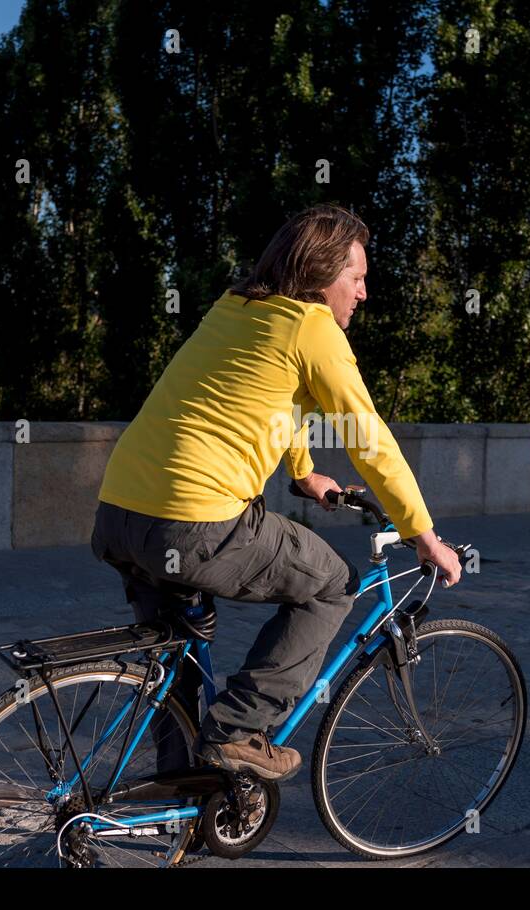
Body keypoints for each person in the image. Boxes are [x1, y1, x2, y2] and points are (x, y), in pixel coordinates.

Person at [90, 203, 460, 782]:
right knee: (333, 584)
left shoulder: (235, 306)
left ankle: (178, 799)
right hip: (195, 523)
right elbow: (371, 442)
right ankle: (239, 730)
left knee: (175, 659)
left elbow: (270, 399)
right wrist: (424, 535)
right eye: (357, 277)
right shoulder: (314, 328)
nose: (363, 293)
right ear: (322, 272)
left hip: (119, 514)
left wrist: (305, 473)